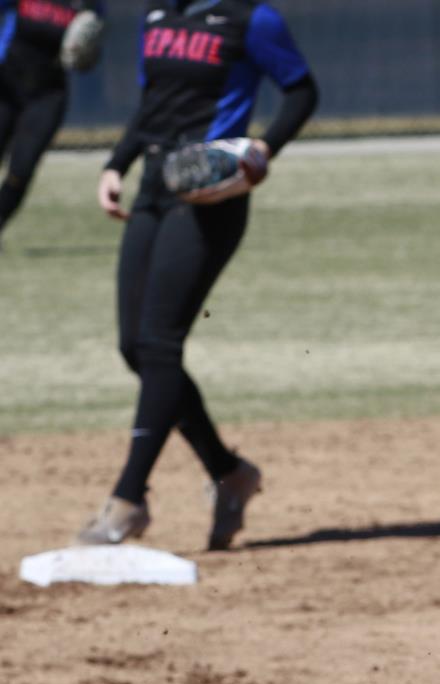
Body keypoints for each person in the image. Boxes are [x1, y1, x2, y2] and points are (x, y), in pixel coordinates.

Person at [74, 0, 317, 551]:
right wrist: (117, 163)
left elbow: (303, 91)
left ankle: (128, 500)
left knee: (159, 342)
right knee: (134, 346)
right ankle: (228, 472)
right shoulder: (158, 14)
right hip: (155, 187)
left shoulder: (251, 18)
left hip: (210, 196)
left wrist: (263, 149)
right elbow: (151, 106)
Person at [0, 0, 101, 246]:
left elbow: (87, 54)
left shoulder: (87, 3)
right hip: (6, 85)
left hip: (47, 95)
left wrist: (83, 52)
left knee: (21, 170)